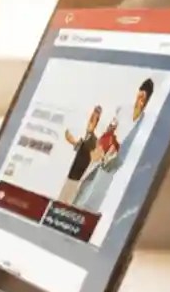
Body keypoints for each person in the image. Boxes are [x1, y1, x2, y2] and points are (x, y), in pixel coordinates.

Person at [73, 78, 156, 213]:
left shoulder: (143, 120)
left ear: (147, 100)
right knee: (88, 179)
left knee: (100, 184)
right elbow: (111, 127)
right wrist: (102, 145)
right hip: (106, 147)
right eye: (140, 95)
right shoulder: (124, 109)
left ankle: (88, 211)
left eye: (144, 98)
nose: (140, 100)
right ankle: (75, 206)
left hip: (118, 155)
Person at [58, 105, 103, 203]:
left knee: (66, 200)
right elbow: (79, 146)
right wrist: (72, 141)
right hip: (71, 176)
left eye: (94, 119)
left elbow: (94, 156)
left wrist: (74, 142)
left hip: (77, 179)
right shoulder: (86, 138)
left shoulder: (93, 140)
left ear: (96, 123)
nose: (91, 121)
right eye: (91, 118)